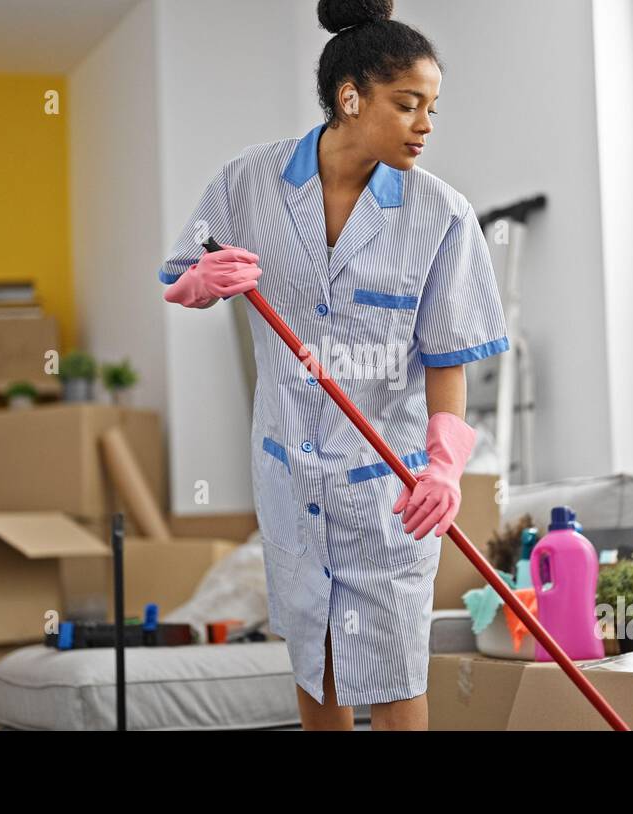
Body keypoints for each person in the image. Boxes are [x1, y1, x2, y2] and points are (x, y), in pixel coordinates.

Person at [158, 0, 508, 730]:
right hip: (291, 472)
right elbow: (179, 273)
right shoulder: (247, 182)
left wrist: (444, 467)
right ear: (351, 97)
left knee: (391, 660)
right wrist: (201, 281)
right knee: (316, 657)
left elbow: (448, 358)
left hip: (388, 485)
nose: (425, 124)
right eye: (407, 103)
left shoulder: (441, 216)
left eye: (432, 107)